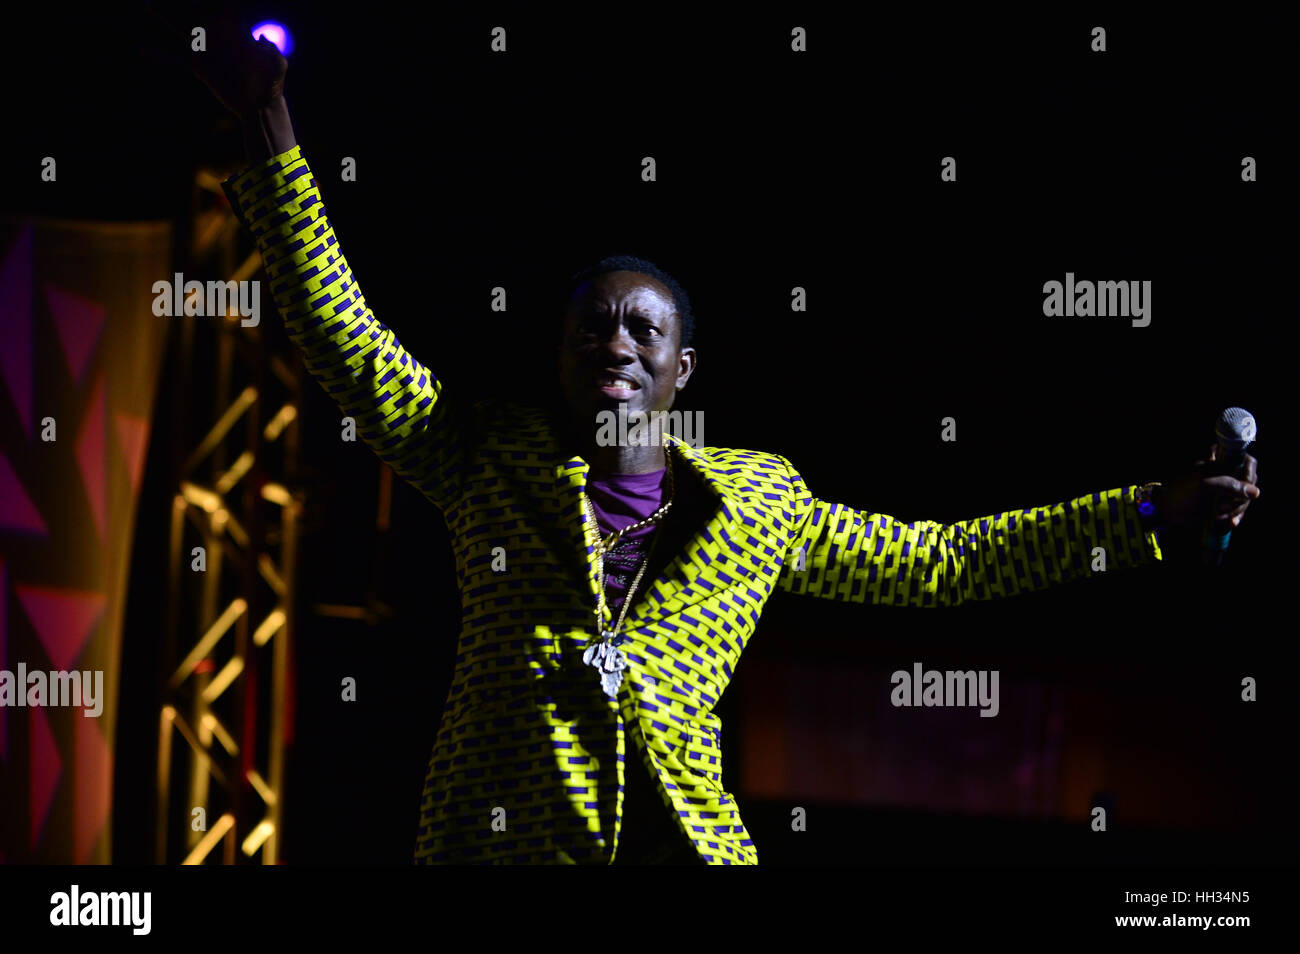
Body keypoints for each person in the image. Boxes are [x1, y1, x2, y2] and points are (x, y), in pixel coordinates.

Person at [192, 26, 1260, 865]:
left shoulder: (759, 504)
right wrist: (276, 133)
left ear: (681, 371)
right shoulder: (480, 455)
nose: (616, 341)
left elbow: (945, 561)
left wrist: (1147, 516)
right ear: (559, 358)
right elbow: (346, 339)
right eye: (589, 327)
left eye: (643, 328)